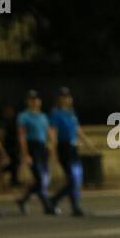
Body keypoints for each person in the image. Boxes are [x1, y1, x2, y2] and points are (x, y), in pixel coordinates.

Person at [47, 87, 91, 217]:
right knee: (72, 179)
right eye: (63, 97)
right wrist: (53, 149)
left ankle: (72, 206)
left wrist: (86, 141)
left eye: (68, 97)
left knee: (76, 178)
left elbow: (77, 129)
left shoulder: (71, 112)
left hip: (73, 147)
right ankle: (57, 200)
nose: (66, 99)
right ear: (59, 99)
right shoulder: (55, 113)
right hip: (63, 146)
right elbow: (53, 132)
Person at [16, 90, 56, 215]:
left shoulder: (43, 116)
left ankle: (23, 200)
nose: (35, 102)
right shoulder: (24, 116)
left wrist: (51, 146)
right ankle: (47, 206)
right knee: (39, 178)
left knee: (43, 178)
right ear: (27, 101)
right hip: (31, 147)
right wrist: (25, 153)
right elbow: (22, 136)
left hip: (42, 148)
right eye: (32, 99)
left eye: (37, 99)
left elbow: (48, 132)